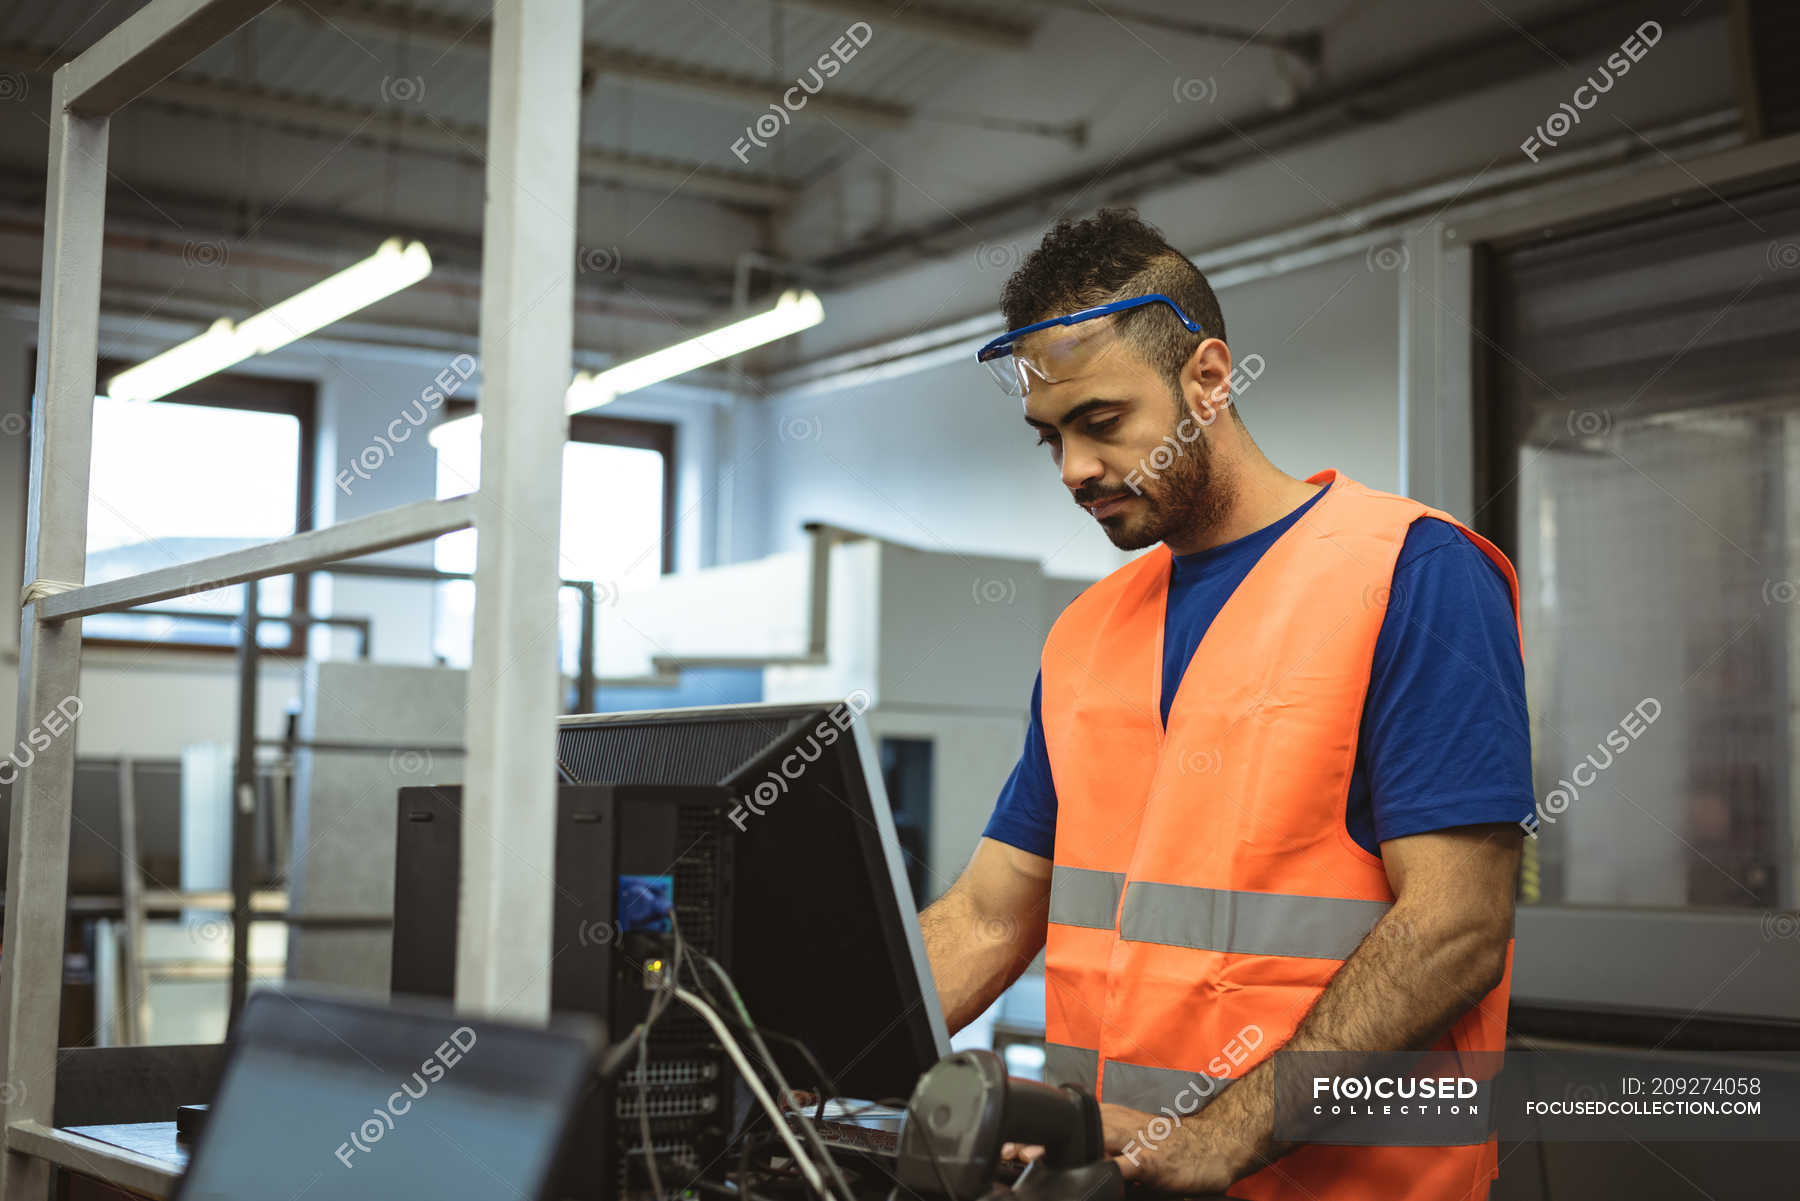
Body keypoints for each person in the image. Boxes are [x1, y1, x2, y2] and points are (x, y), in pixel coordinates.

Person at [919, 209, 1532, 1200]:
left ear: (1209, 378)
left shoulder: (1413, 572)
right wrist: (801, 1053)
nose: (1074, 468)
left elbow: (1457, 924)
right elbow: (991, 916)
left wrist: (1221, 1133)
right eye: (1051, 439)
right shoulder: (1087, 631)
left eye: (1102, 423)